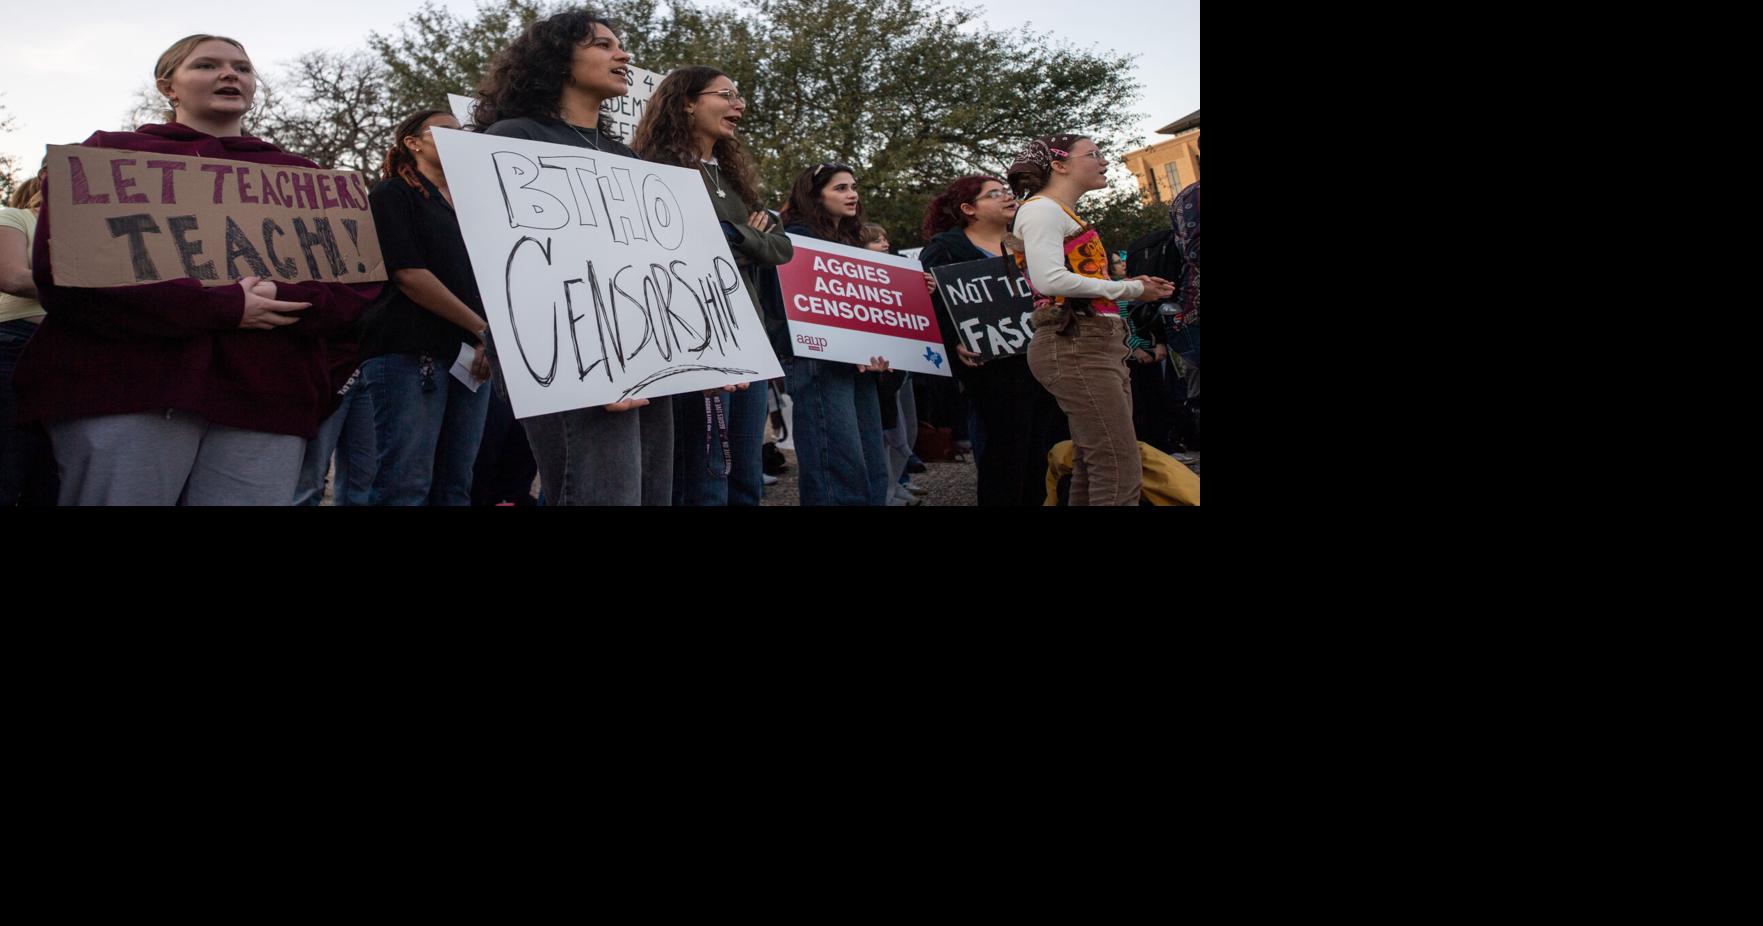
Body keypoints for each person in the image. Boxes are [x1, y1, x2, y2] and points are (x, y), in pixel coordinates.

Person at [13, 34, 377, 505]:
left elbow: (356, 288)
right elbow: (69, 276)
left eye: (242, 68)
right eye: (207, 65)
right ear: (169, 88)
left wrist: (276, 295)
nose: (230, 75)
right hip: (132, 390)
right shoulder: (106, 156)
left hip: (266, 397)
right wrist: (224, 306)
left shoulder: (303, 176)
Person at [474, 9, 670, 505]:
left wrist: (712, 358)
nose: (622, 54)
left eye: (619, 45)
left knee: (649, 495)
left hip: (640, 353)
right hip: (570, 359)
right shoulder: (513, 139)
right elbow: (514, 267)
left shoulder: (625, 158)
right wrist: (582, 371)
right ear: (558, 59)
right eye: (603, 45)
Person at [630, 66, 791, 506]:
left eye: (739, 96)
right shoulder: (655, 170)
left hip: (747, 336)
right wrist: (743, 237)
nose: (739, 104)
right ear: (686, 102)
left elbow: (781, 248)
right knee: (706, 478)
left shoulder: (733, 177)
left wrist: (738, 235)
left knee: (745, 478)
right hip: (693, 339)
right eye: (726, 94)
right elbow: (680, 247)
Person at [1005, 135, 1172, 505]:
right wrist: (1129, 290)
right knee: (1117, 462)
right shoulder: (1041, 210)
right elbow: (1049, 279)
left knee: (1094, 460)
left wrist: (1127, 285)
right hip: (1075, 343)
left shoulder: (1055, 211)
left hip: (1089, 341)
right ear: (1059, 166)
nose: (1104, 161)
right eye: (1093, 154)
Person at [356, 109, 494, 505]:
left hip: (473, 357)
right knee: (406, 483)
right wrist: (484, 330)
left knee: (455, 484)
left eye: (461, 130)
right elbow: (409, 275)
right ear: (412, 144)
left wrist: (490, 337)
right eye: (445, 131)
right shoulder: (392, 194)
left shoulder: (475, 205)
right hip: (410, 353)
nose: (458, 136)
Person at [918, 174, 1067, 506]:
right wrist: (953, 341)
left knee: (1043, 445)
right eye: (994, 193)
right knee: (1005, 450)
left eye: (1007, 191)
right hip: (990, 368)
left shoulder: (1027, 243)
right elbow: (928, 306)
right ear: (969, 208)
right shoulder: (945, 251)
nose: (1006, 197)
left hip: (1042, 359)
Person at [777, 162, 891, 505]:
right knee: (838, 465)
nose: (852, 194)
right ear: (814, 196)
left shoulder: (853, 241)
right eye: (840, 188)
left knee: (871, 462)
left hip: (861, 365)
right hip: (819, 362)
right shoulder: (794, 239)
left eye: (853, 186)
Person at [1, 166, 57, 506]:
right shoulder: (16, 218)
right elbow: (12, 277)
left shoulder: (92, 231)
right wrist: (91, 281)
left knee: (51, 479)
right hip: (13, 346)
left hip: (71, 353)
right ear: (43, 176)